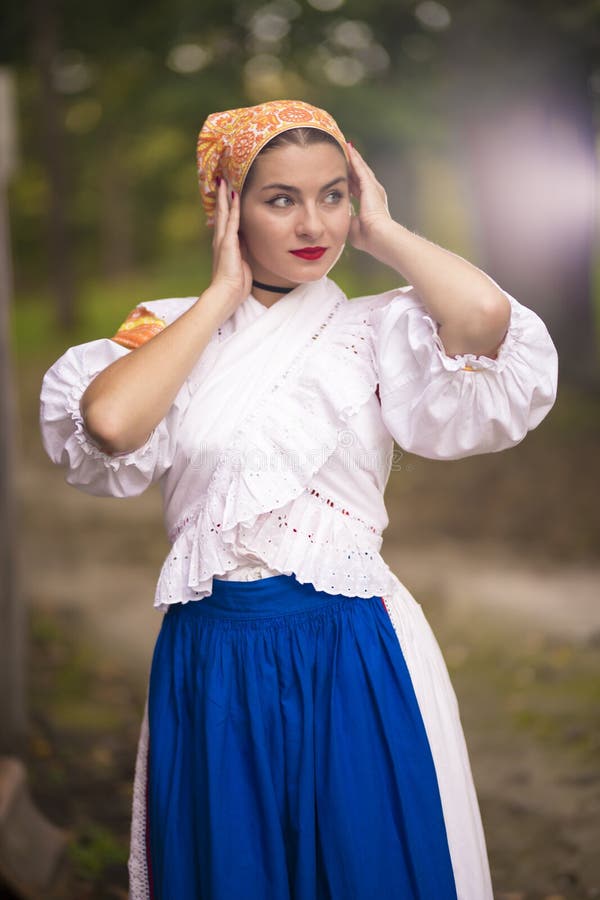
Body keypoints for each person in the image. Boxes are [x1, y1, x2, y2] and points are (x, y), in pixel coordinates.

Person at [39, 99, 558, 900]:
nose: (313, 221)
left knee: (368, 865)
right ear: (225, 205)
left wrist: (380, 232)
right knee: (232, 872)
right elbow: (108, 424)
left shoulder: (380, 327)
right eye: (280, 198)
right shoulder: (162, 328)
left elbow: (488, 319)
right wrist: (218, 294)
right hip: (213, 653)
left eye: (333, 193)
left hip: (352, 643)